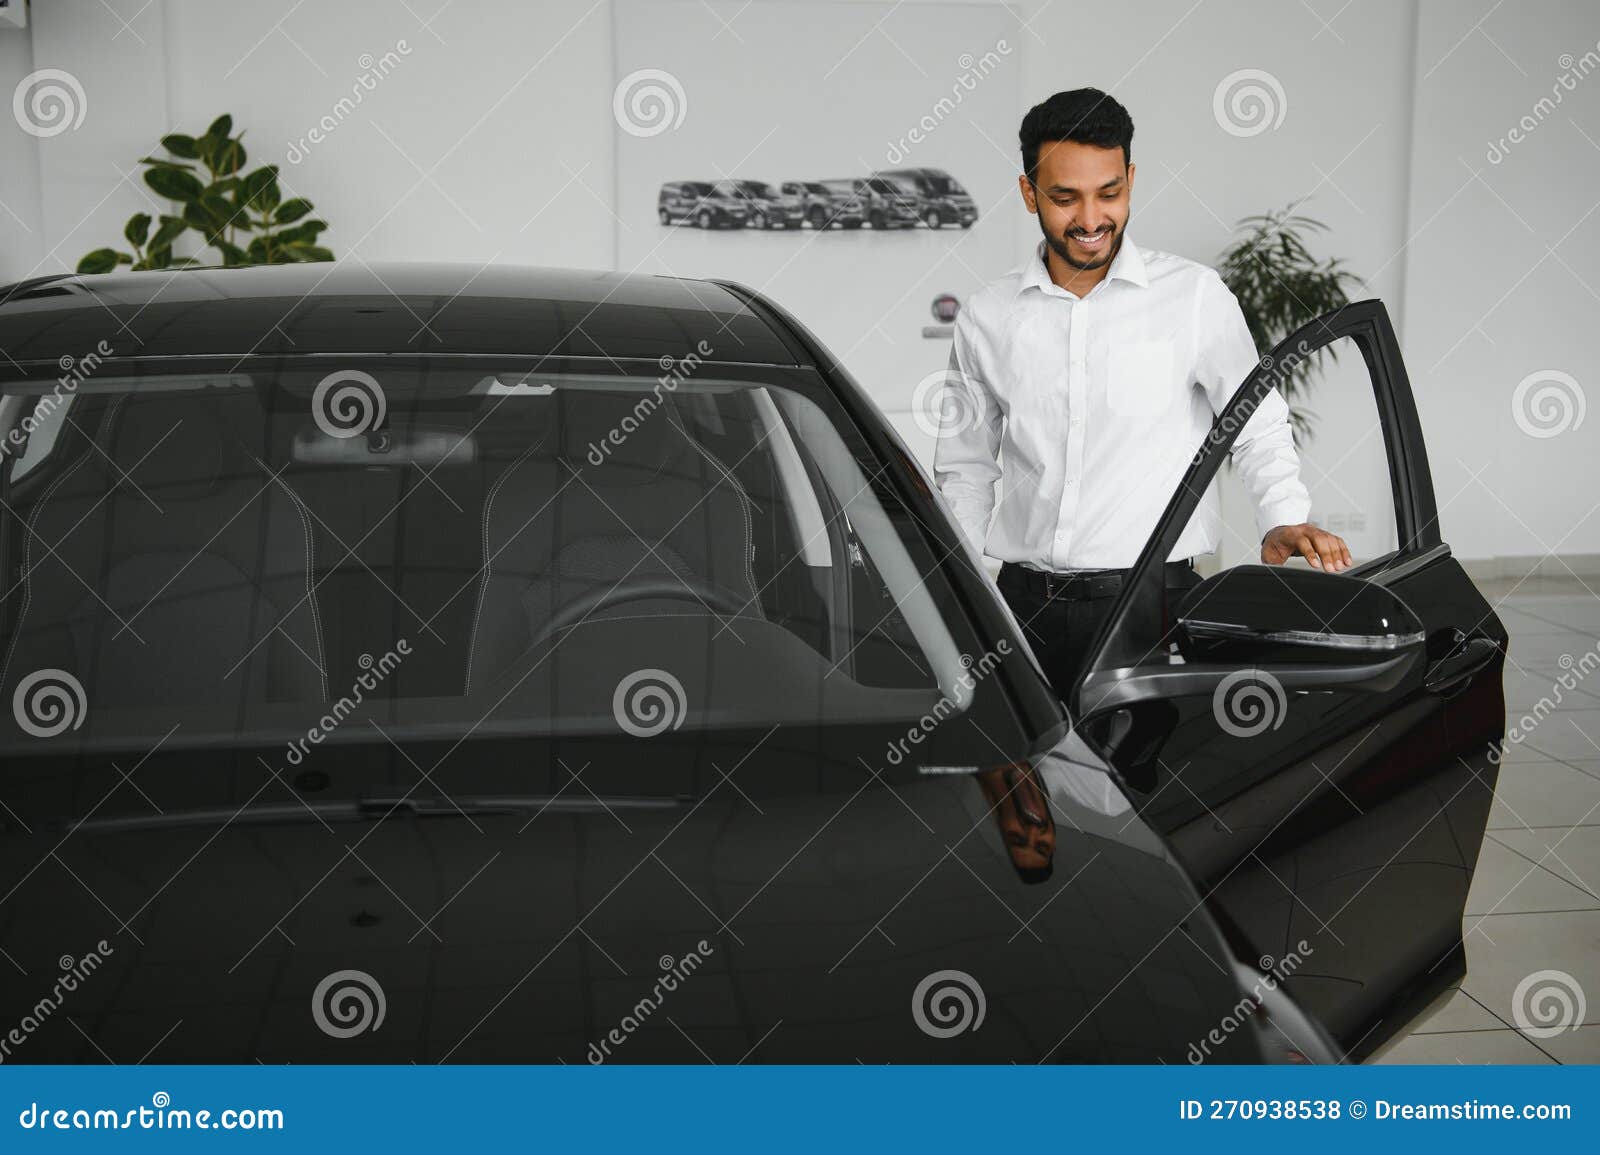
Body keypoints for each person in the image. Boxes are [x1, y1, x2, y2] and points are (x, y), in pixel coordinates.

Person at [933, 87, 1351, 702]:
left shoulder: (1194, 298)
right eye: (1064, 197)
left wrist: (1283, 515)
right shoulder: (987, 316)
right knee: (1028, 781)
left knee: (1148, 787)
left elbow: (1256, 422)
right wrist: (956, 592)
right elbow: (966, 468)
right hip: (1023, 613)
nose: (1091, 219)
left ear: (1130, 179)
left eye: (1109, 192)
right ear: (1029, 193)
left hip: (1155, 610)